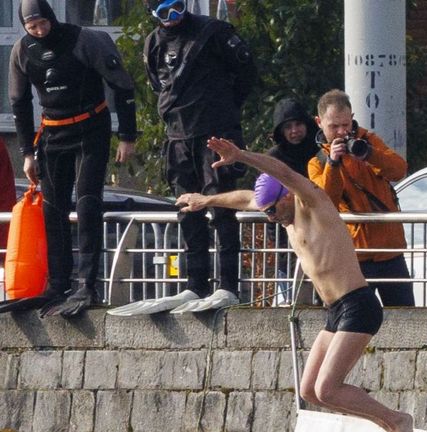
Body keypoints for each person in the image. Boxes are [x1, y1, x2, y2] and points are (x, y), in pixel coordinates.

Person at [181, 137, 412, 432]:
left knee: (327, 388)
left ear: (287, 196)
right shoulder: (280, 213)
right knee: (310, 391)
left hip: (359, 305)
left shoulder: (313, 203)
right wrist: (207, 201)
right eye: (266, 214)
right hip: (335, 311)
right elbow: (244, 198)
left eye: (274, 210)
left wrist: (241, 156)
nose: (272, 218)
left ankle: (396, 420)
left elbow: (282, 172)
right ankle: (387, 423)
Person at [2, 0, 138, 317]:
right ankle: (58, 283)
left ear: (51, 18)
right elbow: (19, 103)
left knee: (88, 203)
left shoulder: (84, 40)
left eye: (42, 24)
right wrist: (26, 153)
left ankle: (87, 283)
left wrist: (127, 135)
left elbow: (122, 85)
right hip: (53, 133)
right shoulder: (23, 51)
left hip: (91, 128)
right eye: (31, 27)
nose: (38, 31)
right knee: (53, 209)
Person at [142, 0, 255, 313]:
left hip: (215, 133)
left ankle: (228, 285)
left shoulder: (212, 32)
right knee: (187, 210)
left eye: (176, 7)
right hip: (177, 136)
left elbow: (246, 71)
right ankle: (195, 283)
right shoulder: (153, 43)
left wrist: (225, 109)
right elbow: (156, 84)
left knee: (221, 206)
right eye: (164, 11)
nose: (172, 17)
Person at [308, 89, 413, 307]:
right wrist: (333, 164)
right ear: (319, 122)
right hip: (354, 257)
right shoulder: (317, 163)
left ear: (352, 119)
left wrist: (369, 154)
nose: (341, 132)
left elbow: (398, 170)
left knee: (406, 317)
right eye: (333, 126)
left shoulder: (369, 141)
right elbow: (326, 201)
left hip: (390, 252)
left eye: (346, 125)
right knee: (354, 319)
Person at [266, 97, 318, 174]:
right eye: (288, 127)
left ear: (306, 125)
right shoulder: (274, 157)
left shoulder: (321, 148)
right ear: (281, 131)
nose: (294, 130)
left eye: (298, 124)